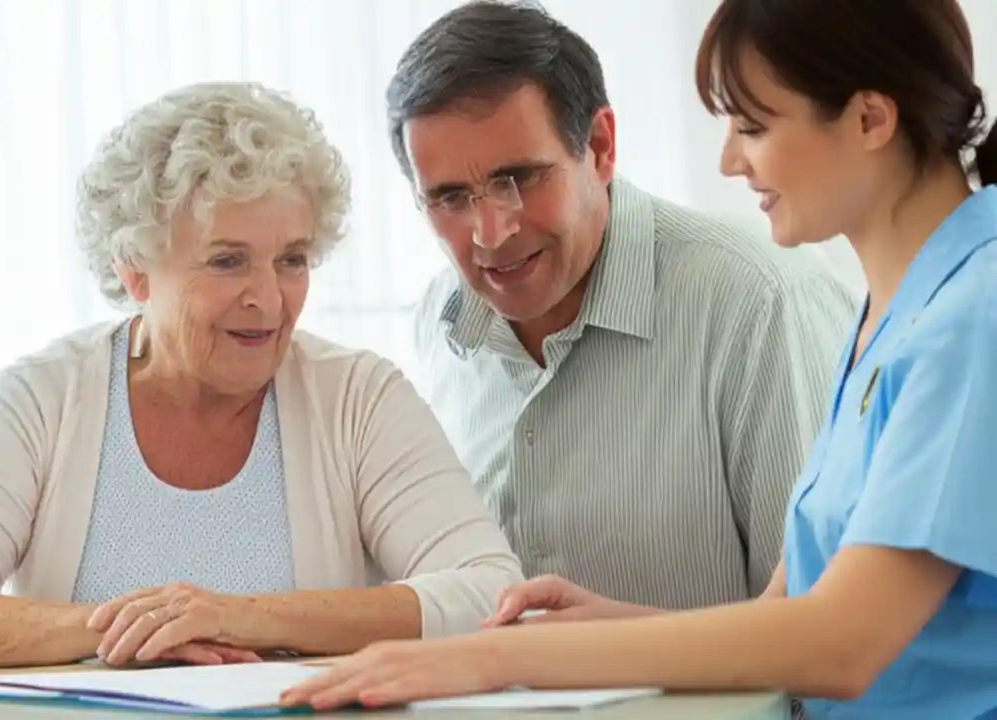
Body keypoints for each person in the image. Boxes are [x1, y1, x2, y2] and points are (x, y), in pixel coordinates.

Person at [282, 0, 997, 717]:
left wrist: (486, 656)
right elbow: (794, 613)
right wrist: (615, 629)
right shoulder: (899, 310)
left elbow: (840, 645)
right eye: (449, 196)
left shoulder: (972, 315)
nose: (728, 160)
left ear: (871, 119)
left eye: (753, 126)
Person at [0, 81, 523, 676]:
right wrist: (127, 628)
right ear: (135, 270)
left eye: (291, 259)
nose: (270, 297)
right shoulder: (42, 400)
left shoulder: (358, 398)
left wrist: (243, 616)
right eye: (228, 261)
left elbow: (485, 591)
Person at [388, 0, 854, 610]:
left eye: (519, 179)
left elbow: (826, 631)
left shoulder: (761, 301)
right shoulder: (436, 323)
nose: (490, 232)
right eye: (450, 198)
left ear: (601, 146)